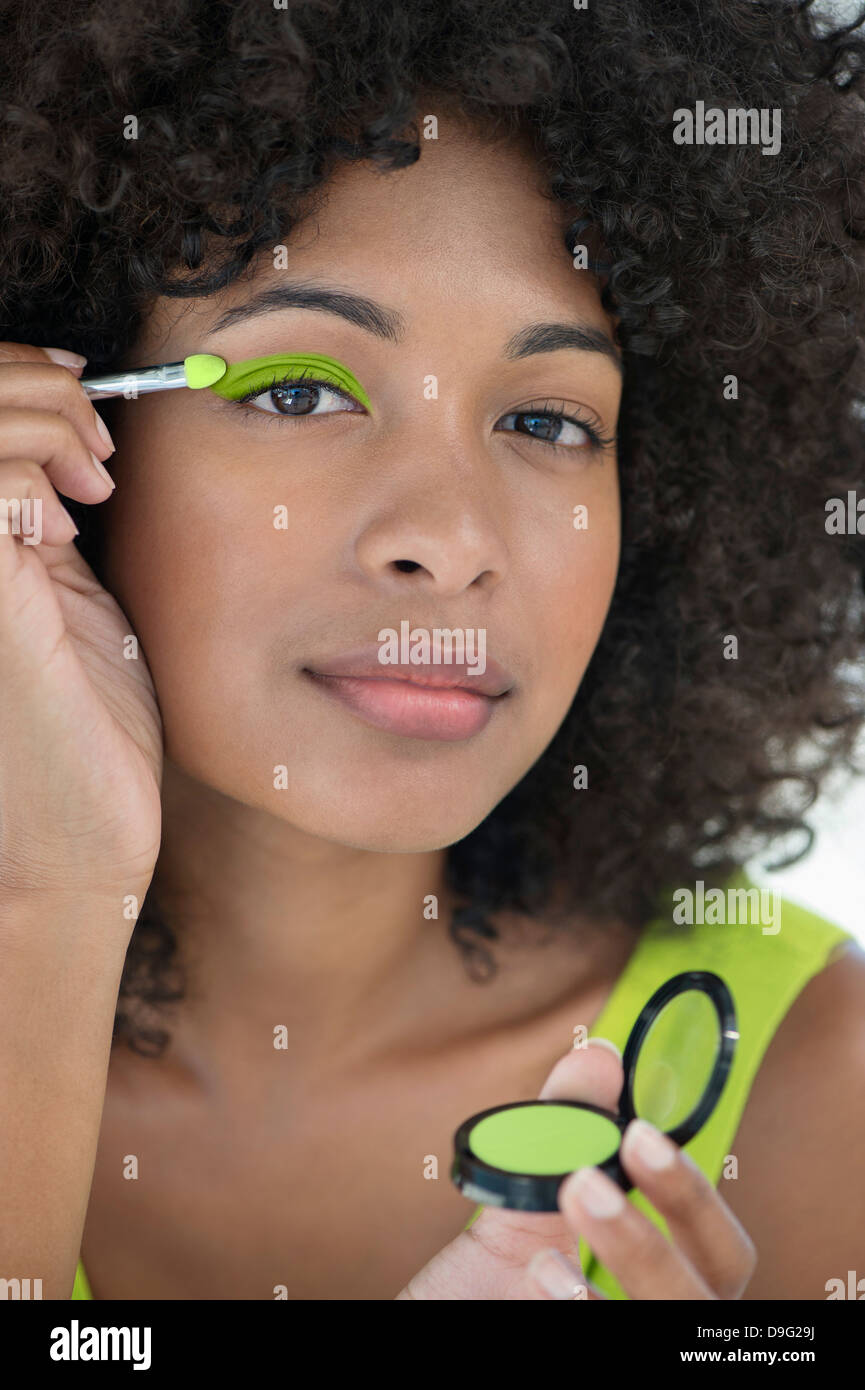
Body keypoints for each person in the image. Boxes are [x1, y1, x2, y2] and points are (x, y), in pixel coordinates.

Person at [1, 0, 864, 1302]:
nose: (449, 538)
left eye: (545, 417)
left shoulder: (813, 1079)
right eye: (298, 391)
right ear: (62, 436)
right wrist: (48, 903)